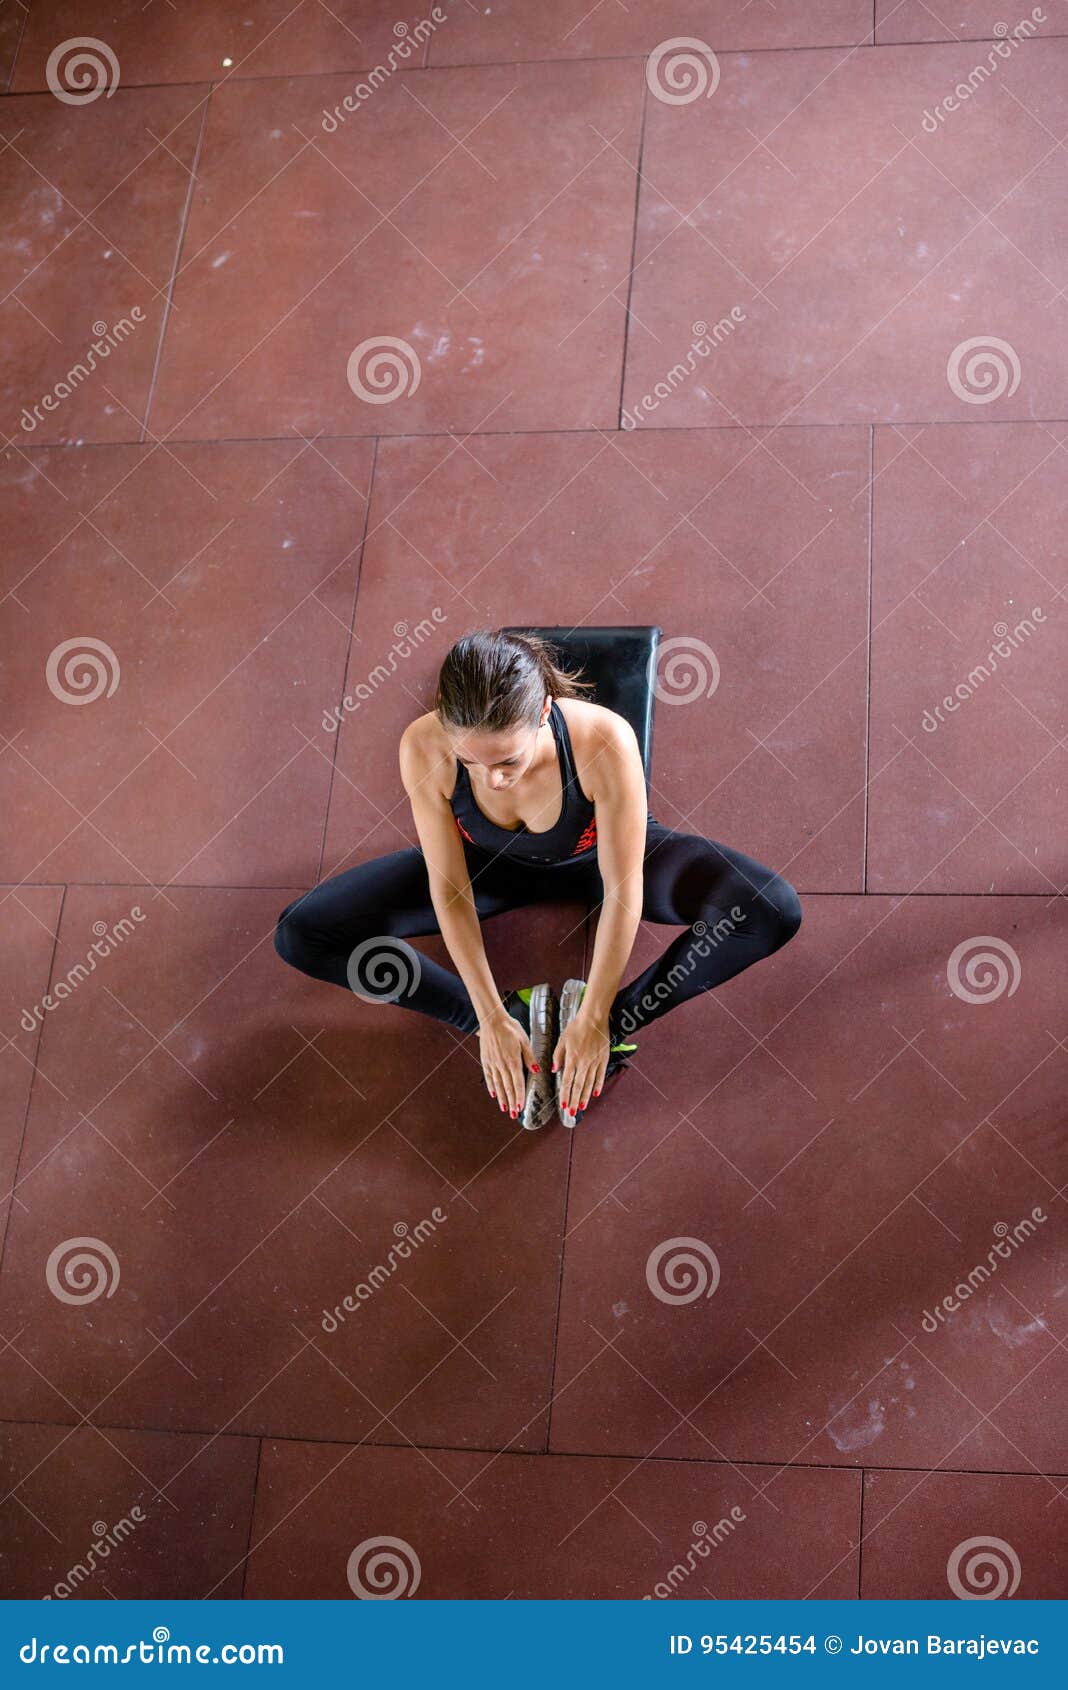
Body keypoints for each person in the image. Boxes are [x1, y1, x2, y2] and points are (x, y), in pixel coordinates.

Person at [275, 629, 802, 1130]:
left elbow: (621, 891)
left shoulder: (602, 739)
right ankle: (516, 1017)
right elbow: (451, 890)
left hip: (598, 859)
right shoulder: (423, 745)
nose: (492, 778)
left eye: (507, 760)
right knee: (303, 934)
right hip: (491, 870)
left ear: (544, 713)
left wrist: (597, 1015)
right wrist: (485, 1018)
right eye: (471, 762)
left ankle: (613, 1028)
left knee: (769, 909)